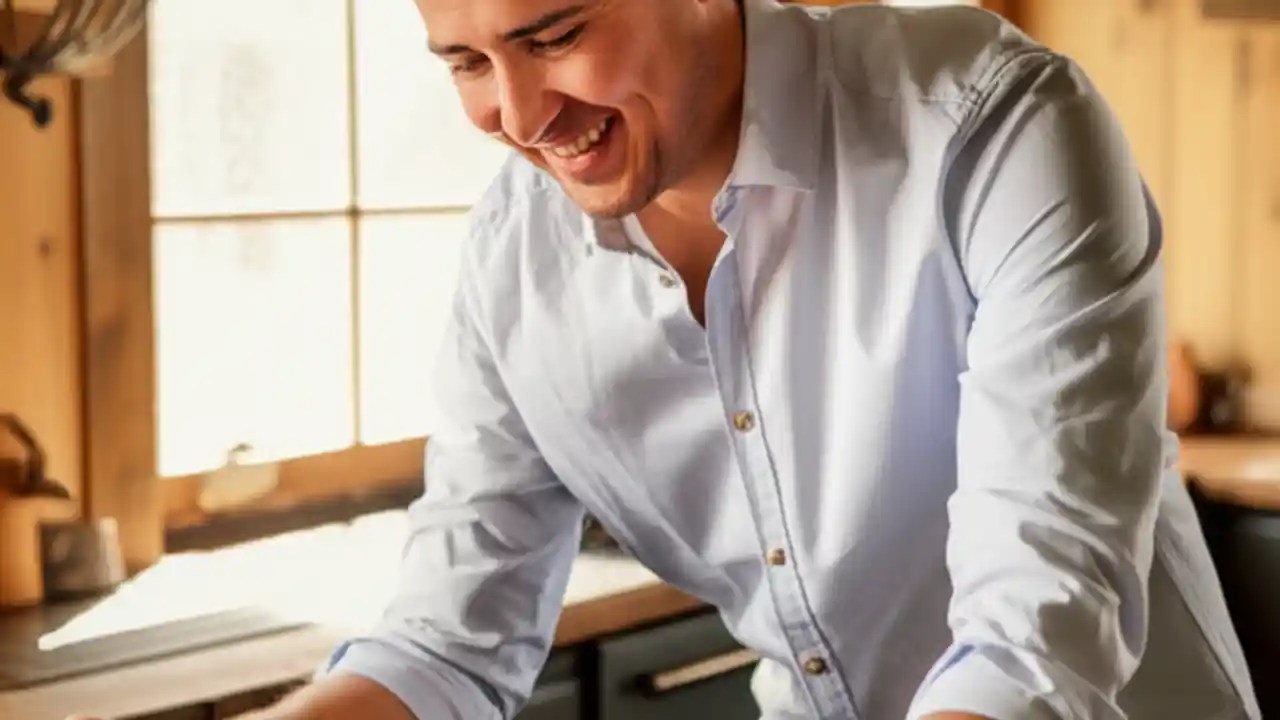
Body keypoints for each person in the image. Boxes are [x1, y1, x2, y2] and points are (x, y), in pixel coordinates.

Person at [250, 0, 1261, 718]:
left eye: (554, 36)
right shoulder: (516, 256)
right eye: (465, 63)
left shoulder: (988, 123)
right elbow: (445, 647)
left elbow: (1030, 636)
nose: (517, 119)